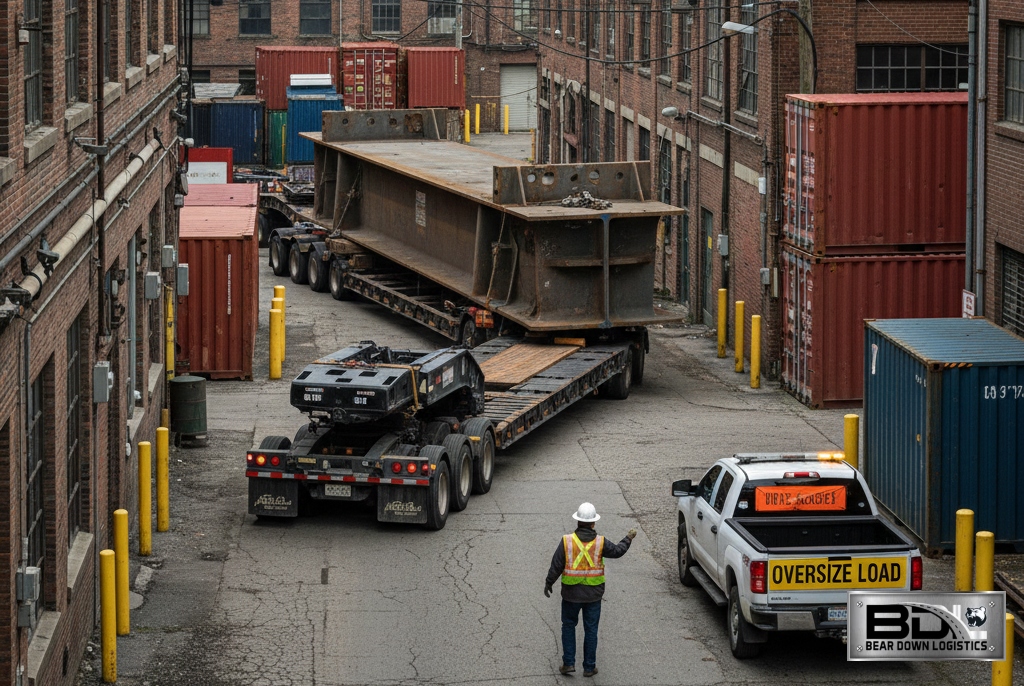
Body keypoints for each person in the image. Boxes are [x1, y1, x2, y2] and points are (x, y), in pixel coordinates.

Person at [544, 502, 636, 677]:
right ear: (593, 523)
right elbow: (617, 551)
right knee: (591, 629)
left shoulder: (567, 541)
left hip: (571, 594)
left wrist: (549, 582)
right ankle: (589, 667)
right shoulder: (601, 542)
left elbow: (556, 565)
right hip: (593, 595)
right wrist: (628, 538)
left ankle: (569, 663)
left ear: (577, 521)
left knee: (569, 626)